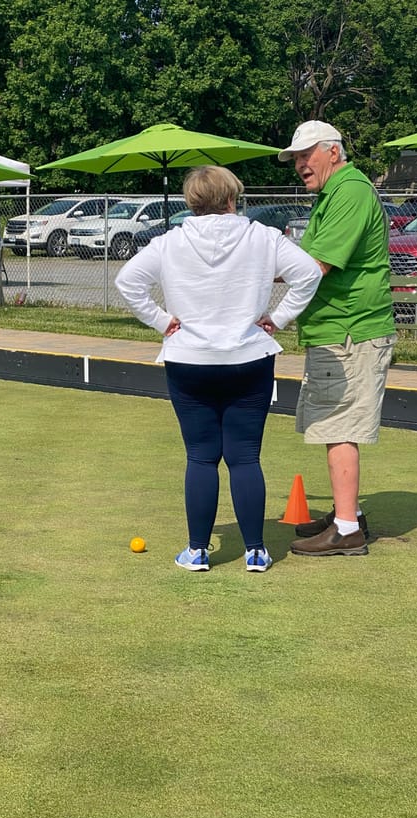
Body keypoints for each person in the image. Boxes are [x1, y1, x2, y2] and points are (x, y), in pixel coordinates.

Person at [115, 166, 321, 574]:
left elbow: (127, 282)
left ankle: (197, 552)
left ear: (192, 203)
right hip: (250, 358)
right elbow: (309, 274)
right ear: (232, 199)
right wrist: (278, 318)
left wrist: (160, 321)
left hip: (189, 360)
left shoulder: (169, 241)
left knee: (201, 457)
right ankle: (257, 552)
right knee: (245, 458)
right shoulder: (263, 236)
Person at [267, 120, 396, 557]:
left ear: (333, 152)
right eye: (296, 158)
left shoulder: (350, 192)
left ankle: (346, 530)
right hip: (339, 329)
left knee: (340, 425)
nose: (300, 164)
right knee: (333, 424)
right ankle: (348, 512)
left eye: (307, 155)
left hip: (350, 331)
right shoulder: (334, 193)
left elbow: (316, 265)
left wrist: (253, 279)